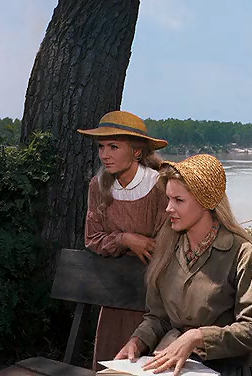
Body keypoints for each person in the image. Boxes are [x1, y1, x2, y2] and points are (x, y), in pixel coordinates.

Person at [115, 154, 252, 376]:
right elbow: (157, 317)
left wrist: (198, 337)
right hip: (170, 363)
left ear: (206, 202)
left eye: (178, 200)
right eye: (168, 199)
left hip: (226, 368)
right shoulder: (167, 247)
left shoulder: (241, 253)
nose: (168, 208)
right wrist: (138, 341)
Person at [77, 110, 170, 363]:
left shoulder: (160, 184)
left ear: (137, 151)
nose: (104, 155)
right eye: (101, 147)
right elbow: (93, 238)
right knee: (111, 358)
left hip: (154, 293)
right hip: (115, 291)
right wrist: (124, 239)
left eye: (114, 146)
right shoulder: (98, 186)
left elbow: (168, 241)